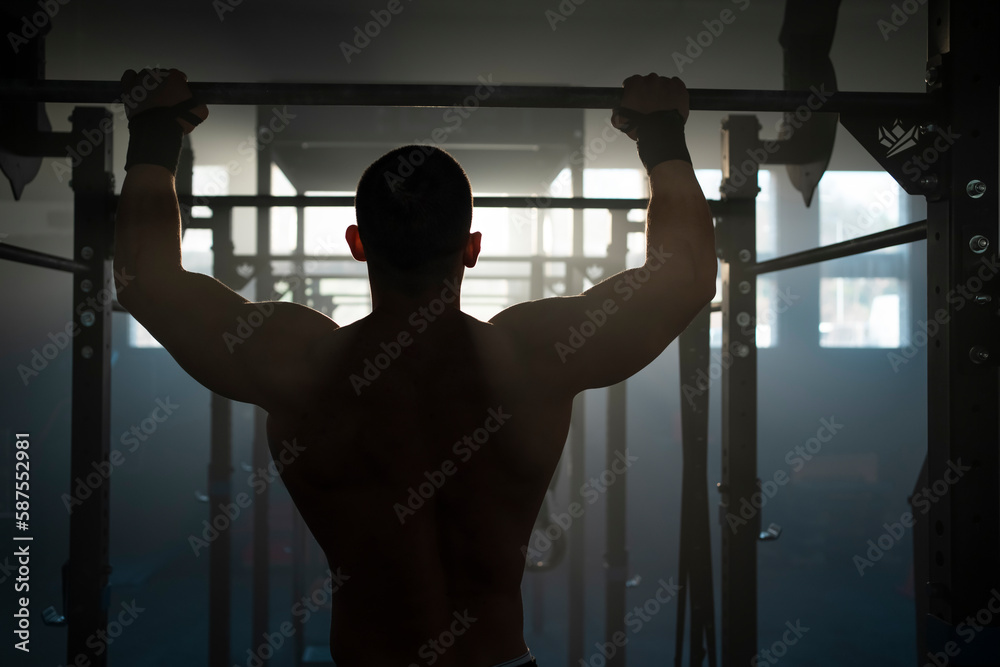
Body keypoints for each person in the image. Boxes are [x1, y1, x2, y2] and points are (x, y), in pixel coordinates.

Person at [114, 68, 716, 667]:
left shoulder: (299, 361)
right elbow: (684, 277)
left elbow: (146, 279)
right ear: (472, 248)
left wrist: (154, 130)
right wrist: (660, 133)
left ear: (357, 243)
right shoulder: (533, 355)